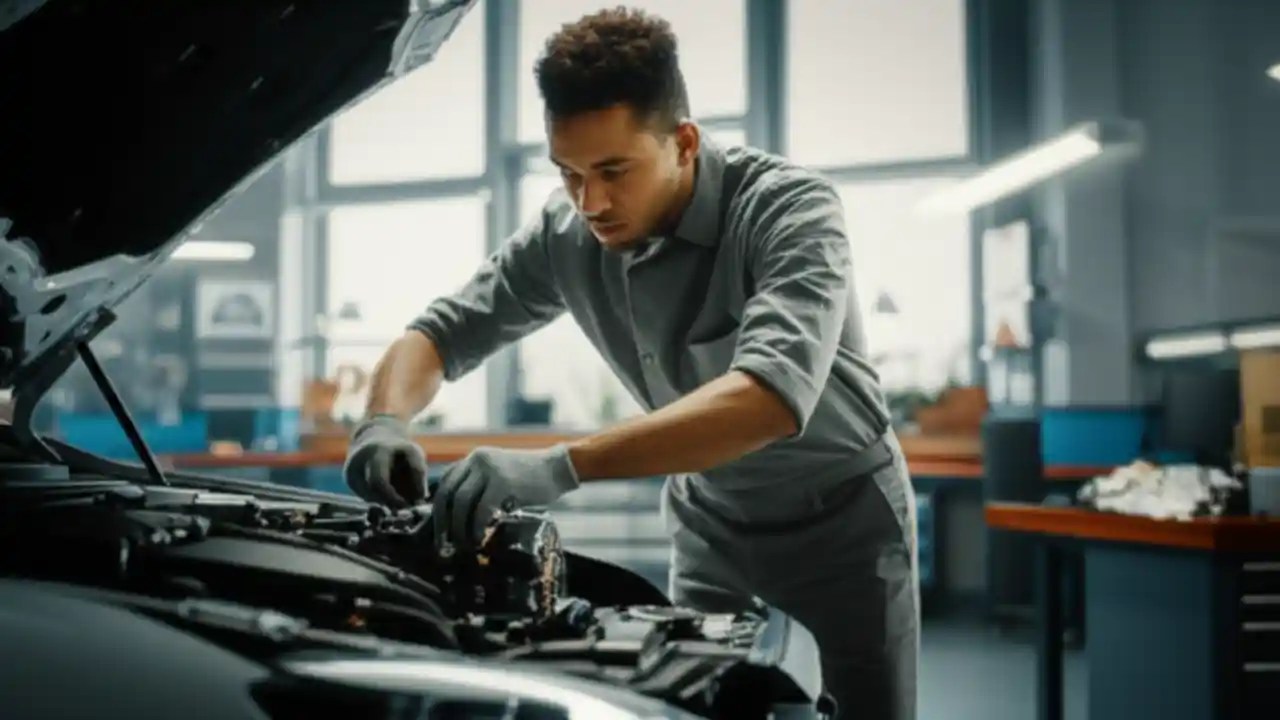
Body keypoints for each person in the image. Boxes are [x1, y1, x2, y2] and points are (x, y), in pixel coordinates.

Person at [343, 7, 918, 718]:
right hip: (709, 519)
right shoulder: (565, 231)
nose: (591, 202)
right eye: (569, 173)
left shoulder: (789, 211)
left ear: (682, 141)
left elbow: (767, 399)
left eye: (615, 170)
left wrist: (560, 465)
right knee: (691, 707)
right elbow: (440, 332)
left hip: (841, 521)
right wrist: (382, 420)